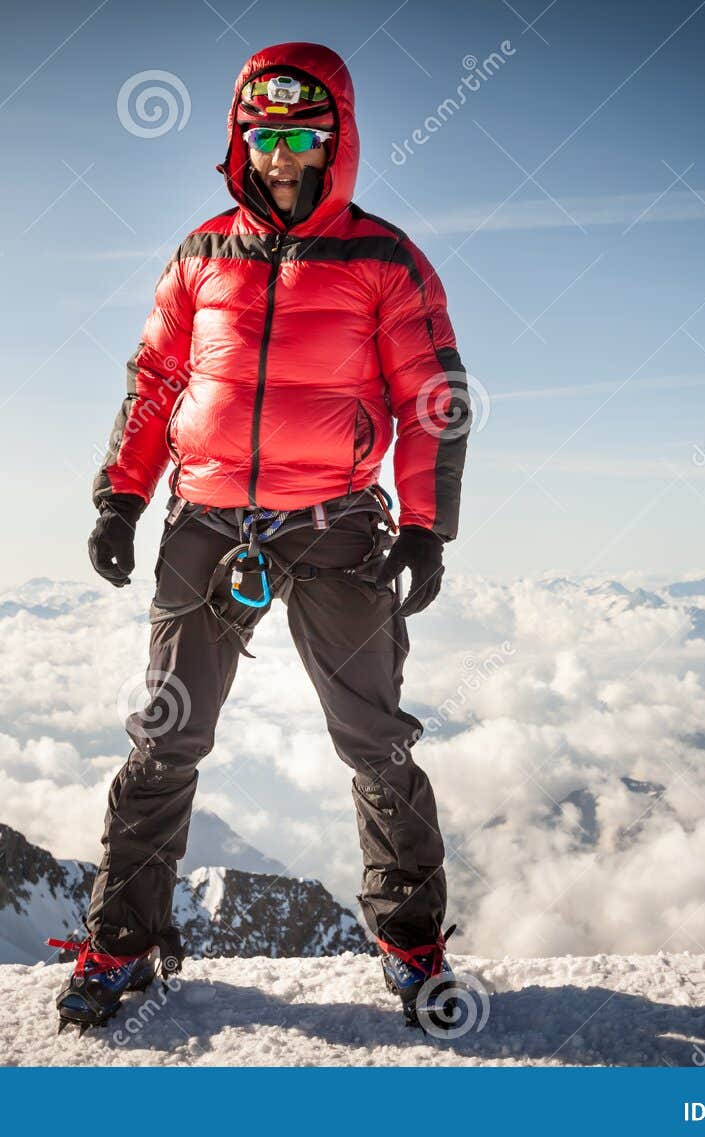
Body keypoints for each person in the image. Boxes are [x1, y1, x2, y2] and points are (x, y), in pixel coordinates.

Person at [58, 42, 471, 1030]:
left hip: (336, 528)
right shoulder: (202, 254)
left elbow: (432, 399)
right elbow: (157, 381)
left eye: (301, 136)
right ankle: (123, 945)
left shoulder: (384, 259)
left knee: (374, 740)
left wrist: (426, 526)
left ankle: (412, 945)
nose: (280, 155)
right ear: (239, 143)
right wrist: (120, 496)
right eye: (262, 135)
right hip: (204, 521)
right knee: (164, 739)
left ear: (337, 143)